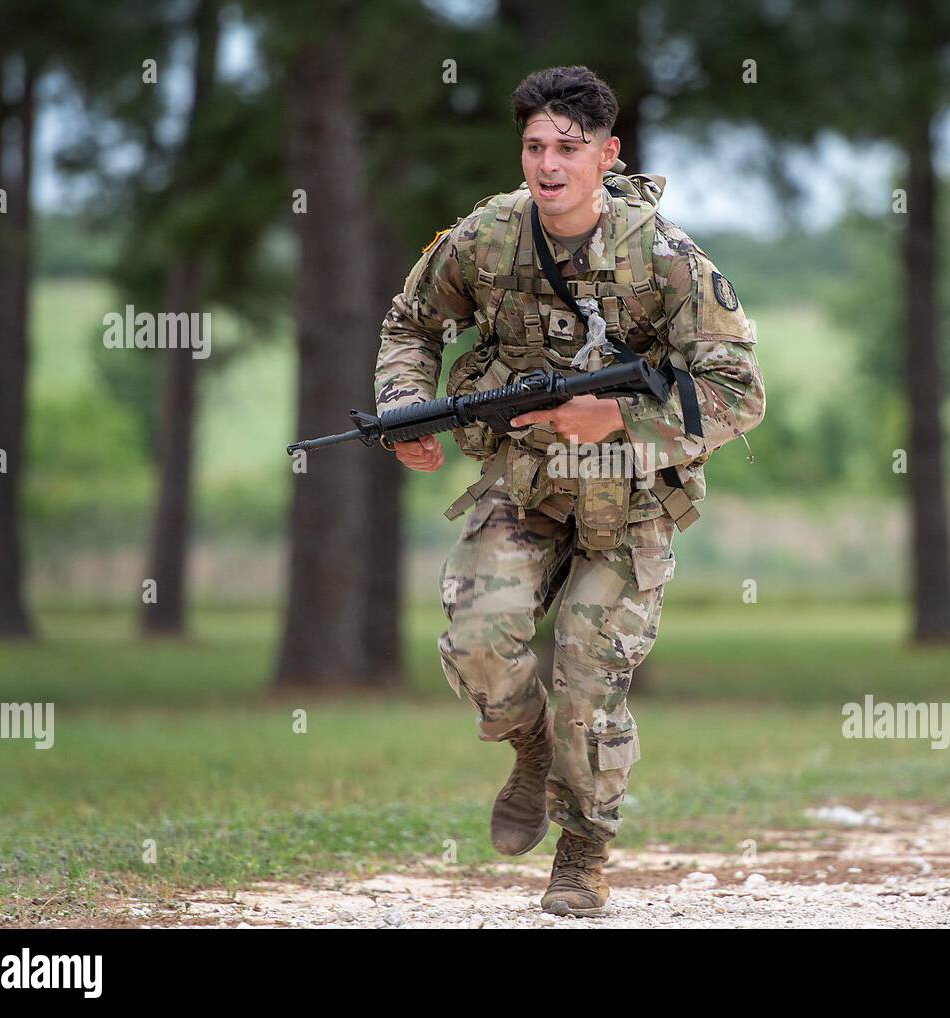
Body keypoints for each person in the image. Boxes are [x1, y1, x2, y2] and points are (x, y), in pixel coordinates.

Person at [373, 65, 765, 916]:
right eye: (533, 147)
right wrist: (404, 409)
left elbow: (739, 392)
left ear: (607, 153)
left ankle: (582, 854)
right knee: (479, 641)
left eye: (569, 147)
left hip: (629, 507)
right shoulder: (486, 237)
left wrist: (618, 422)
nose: (548, 165)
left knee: (590, 679)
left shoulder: (666, 258)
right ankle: (530, 747)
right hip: (525, 489)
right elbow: (411, 322)